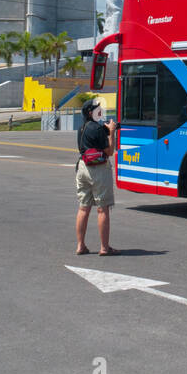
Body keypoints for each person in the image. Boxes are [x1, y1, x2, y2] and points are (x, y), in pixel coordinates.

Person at [75, 98, 118, 256]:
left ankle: (80, 245)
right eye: (96, 109)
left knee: (83, 207)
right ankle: (104, 248)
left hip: (82, 168)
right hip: (98, 170)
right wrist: (111, 132)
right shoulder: (98, 129)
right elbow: (109, 151)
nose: (99, 112)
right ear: (89, 112)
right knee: (102, 208)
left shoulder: (81, 128)